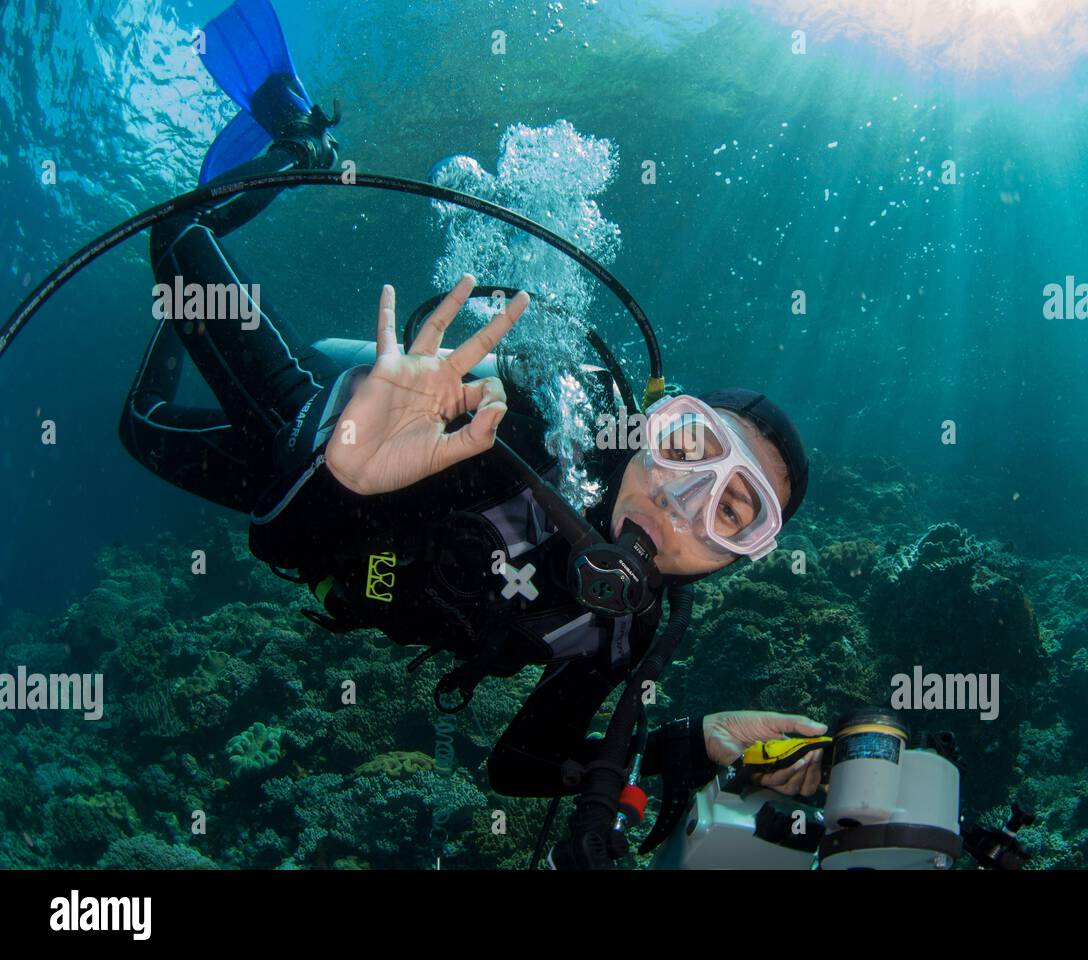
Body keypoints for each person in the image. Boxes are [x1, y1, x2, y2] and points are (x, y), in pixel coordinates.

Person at [119, 0, 825, 807]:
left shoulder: (619, 629)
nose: (681, 503)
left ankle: (180, 318)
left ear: (741, 556)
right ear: (645, 431)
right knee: (176, 239)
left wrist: (691, 746)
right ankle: (297, 140)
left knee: (139, 432)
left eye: (735, 511)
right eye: (688, 449)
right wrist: (346, 464)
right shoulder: (519, 432)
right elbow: (279, 533)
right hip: (318, 426)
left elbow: (521, 764)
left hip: (319, 521)